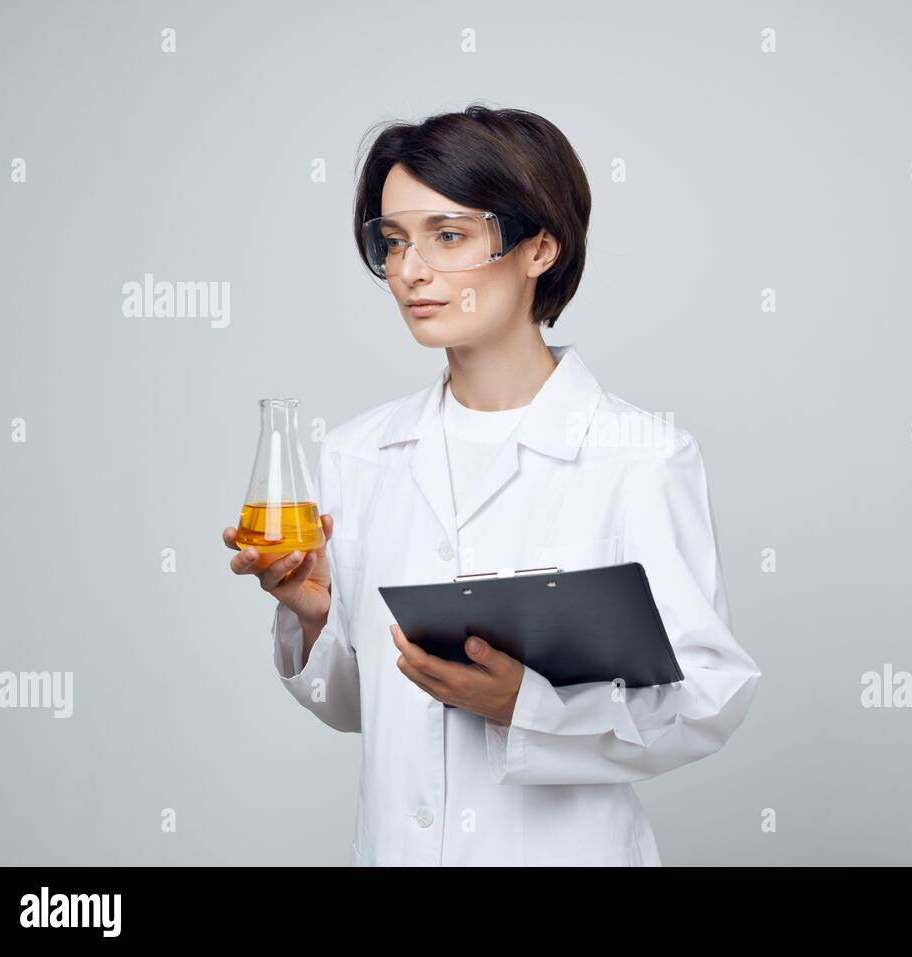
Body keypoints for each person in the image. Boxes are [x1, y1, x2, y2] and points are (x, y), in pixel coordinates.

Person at [222, 105, 761, 866]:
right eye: (395, 242)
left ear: (539, 246)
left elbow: (711, 696)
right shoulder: (357, 454)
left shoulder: (639, 455)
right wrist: (315, 621)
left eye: (447, 236)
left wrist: (529, 710)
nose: (411, 270)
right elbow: (354, 708)